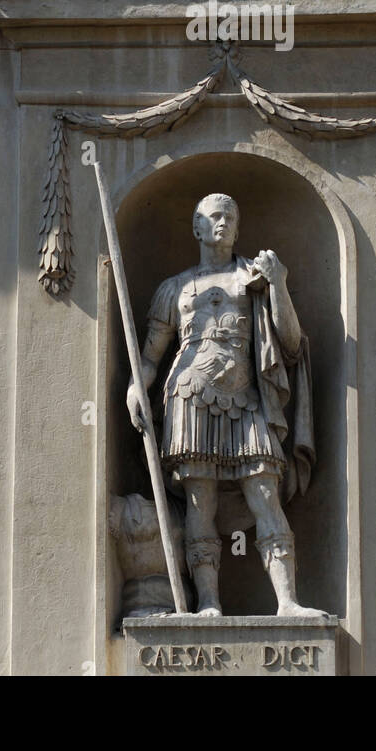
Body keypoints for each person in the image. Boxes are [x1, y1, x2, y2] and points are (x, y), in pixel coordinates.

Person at [127, 194, 318, 617]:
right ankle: (209, 602)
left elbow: (289, 343)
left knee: (265, 492)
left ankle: (287, 601)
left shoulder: (253, 279)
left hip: (247, 397)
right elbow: (150, 357)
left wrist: (279, 284)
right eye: (215, 216)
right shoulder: (174, 288)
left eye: (231, 216)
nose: (224, 223)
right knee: (200, 501)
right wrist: (134, 388)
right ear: (196, 227)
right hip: (189, 395)